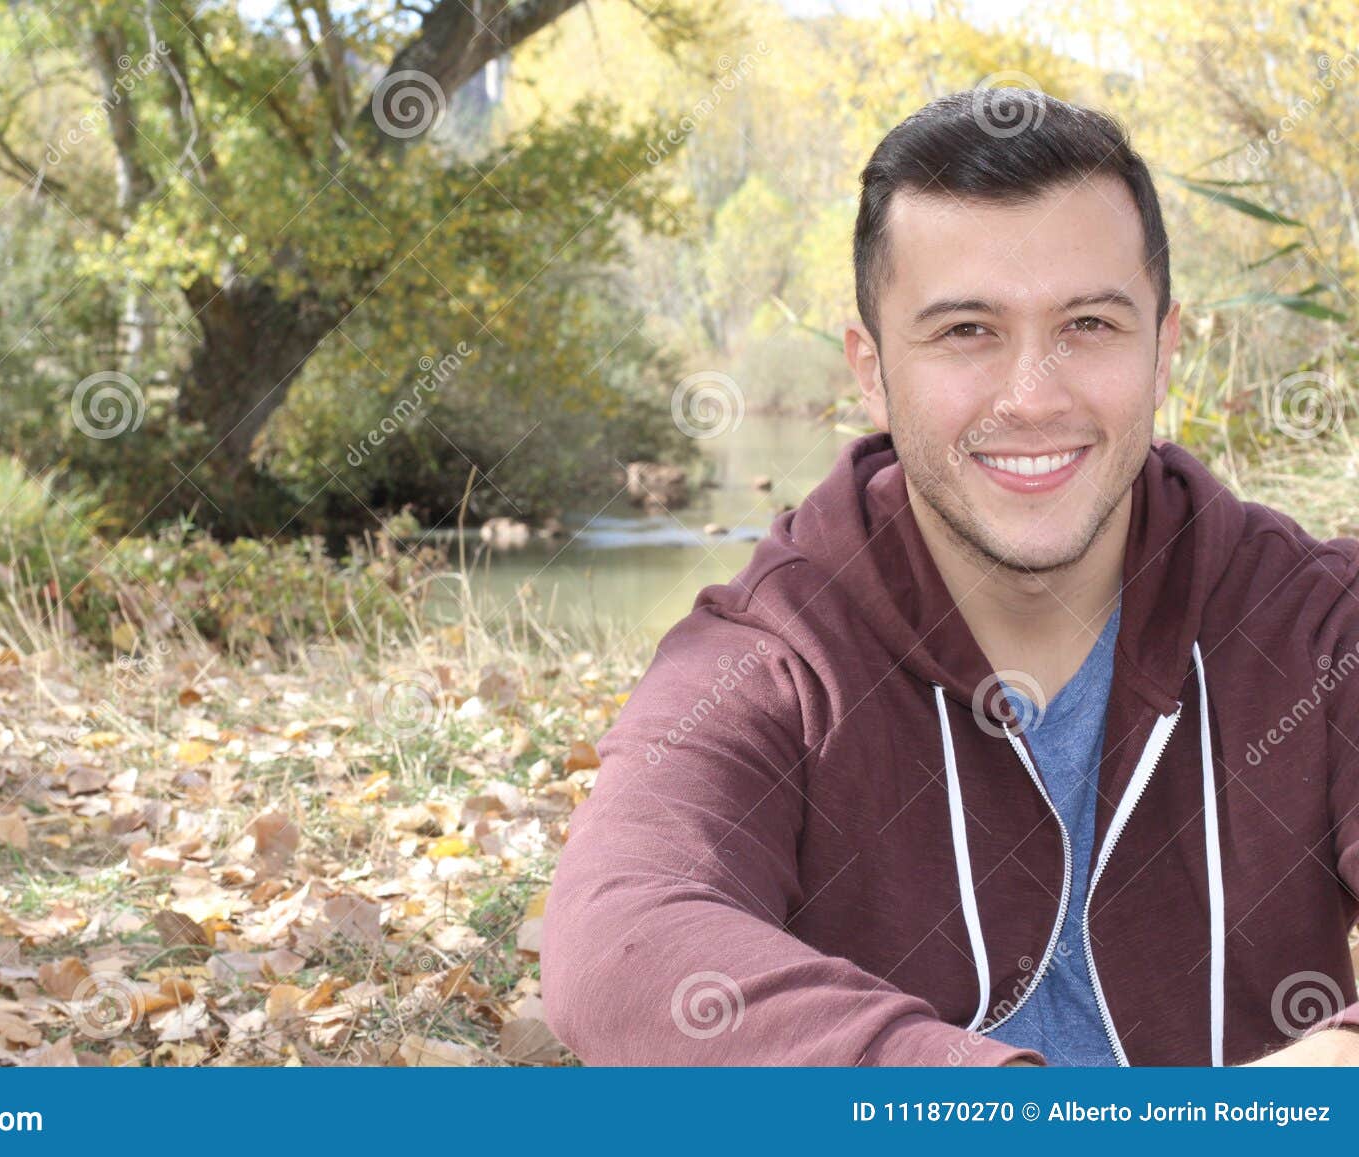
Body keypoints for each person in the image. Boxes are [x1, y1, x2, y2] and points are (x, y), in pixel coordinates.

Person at [539, 88, 1359, 1066]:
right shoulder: (779, 651)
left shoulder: (1316, 623)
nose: (1032, 397)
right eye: (967, 330)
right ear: (871, 369)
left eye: (1089, 323)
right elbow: (617, 935)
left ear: (1163, 349)